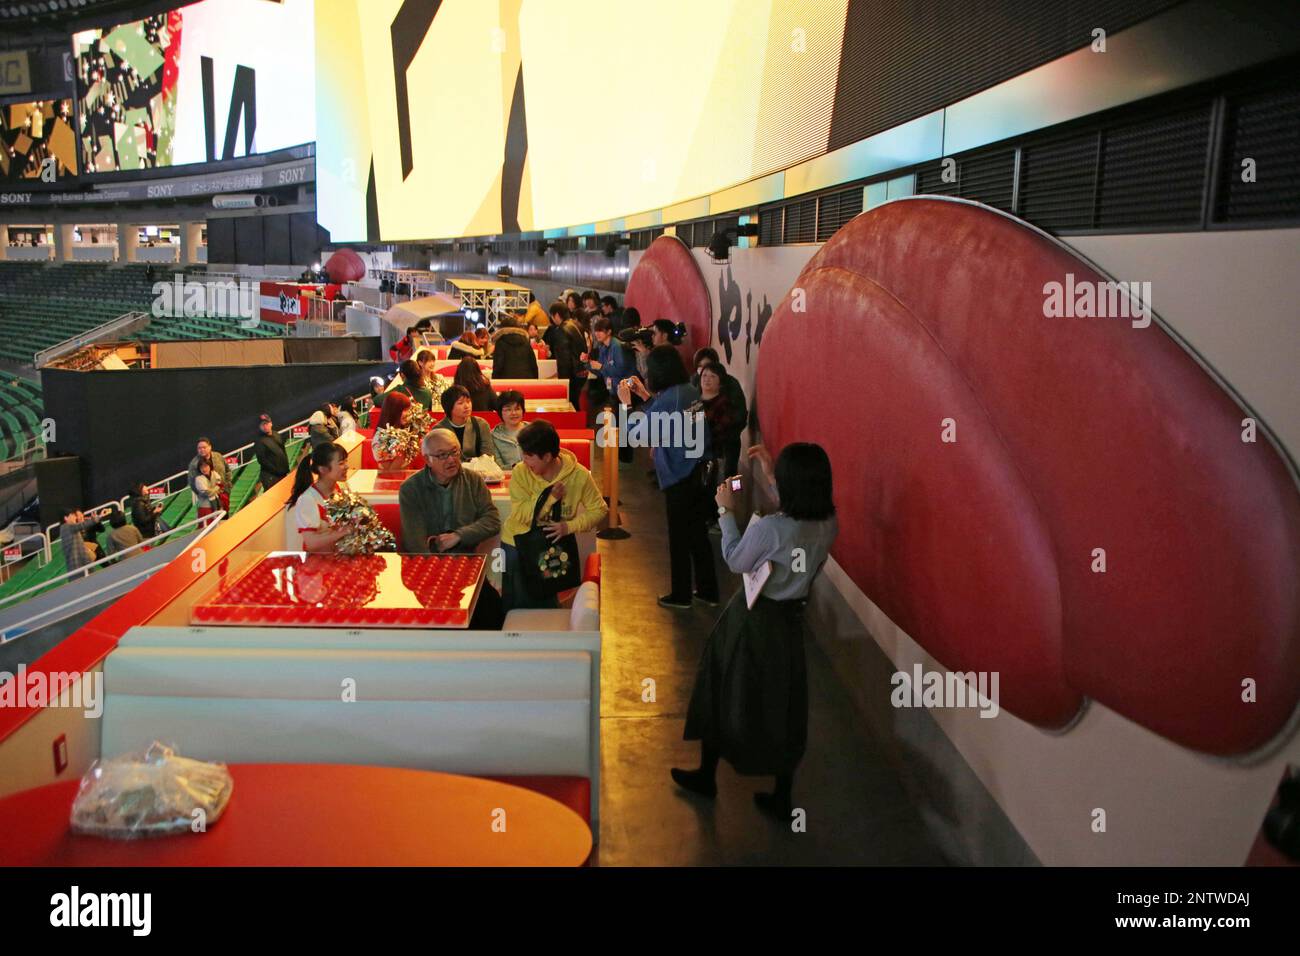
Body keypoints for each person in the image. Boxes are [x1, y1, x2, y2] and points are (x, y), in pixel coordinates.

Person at [672, 443, 839, 822]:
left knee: (721, 686)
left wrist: (724, 511)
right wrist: (768, 472)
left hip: (752, 618)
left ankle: (706, 776)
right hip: (789, 623)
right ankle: (782, 795)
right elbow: (795, 512)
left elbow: (734, 559)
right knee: (783, 703)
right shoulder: (828, 523)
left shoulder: (769, 529)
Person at [617, 346, 718, 608]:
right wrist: (645, 397)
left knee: (679, 537)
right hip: (700, 471)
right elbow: (664, 416)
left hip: (681, 475)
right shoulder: (688, 391)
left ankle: (681, 595)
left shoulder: (670, 398)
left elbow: (636, 435)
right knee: (697, 535)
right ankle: (708, 591)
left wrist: (627, 403)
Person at [397, 429, 505, 629]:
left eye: (455, 452)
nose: (451, 460)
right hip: (427, 572)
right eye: (442, 455)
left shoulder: (472, 480)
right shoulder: (411, 489)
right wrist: (441, 578)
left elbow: (492, 520)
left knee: (494, 614)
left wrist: (459, 536)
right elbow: (415, 544)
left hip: (467, 568)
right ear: (427, 459)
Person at [500, 421, 607, 611]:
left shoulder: (579, 475)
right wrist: (549, 500)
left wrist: (568, 527)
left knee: (546, 601)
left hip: (551, 547)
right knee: (516, 604)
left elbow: (599, 509)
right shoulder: (520, 472)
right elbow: (521, 514)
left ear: (548, 456)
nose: (525, 461)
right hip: (517, 543)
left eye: (529, 456)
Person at [285, 441, 352, 553]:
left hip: (339, 557)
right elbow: (311, 543)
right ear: (323, 469)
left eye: (346, 461)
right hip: (318, 564)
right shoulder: (307, 500)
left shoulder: (342, 487)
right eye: (341, 463)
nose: (347, 466)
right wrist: (343, 532)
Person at [698, 361, 747, 483]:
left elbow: (719, 430)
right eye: (704, 375)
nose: (707, 379)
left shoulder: (725, 404)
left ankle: (735, 499)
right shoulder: (694, 402)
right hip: (701, 455)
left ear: (720, 383)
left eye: (712, 376)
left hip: (724, 451)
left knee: (732, 479)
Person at [433, 385, 493, 460]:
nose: (467, 406)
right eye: (460, 403)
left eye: (468, 401)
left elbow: (488, 454)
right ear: (449, 407)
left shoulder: (481, 424)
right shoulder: (439, 430)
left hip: (477, 469)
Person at [372, 390, 420, 470]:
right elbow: (390, 472)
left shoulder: (404, 431)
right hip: (390, 481)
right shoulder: (381, 438)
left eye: (408, 410)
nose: (408, 413)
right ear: (394, 412)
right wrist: (405, 449)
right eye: (405, 410)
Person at [60, 507, 108, 576]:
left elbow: (101, 529)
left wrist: (96, 520)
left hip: (92, 555)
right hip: (80, 562)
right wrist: (99, 516)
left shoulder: (66, 529)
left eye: (80, 515)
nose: (76, 518)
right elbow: (82, 525)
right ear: (66, 518)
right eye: (74, 516)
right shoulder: (70, 527)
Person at [187, 437, 229, 515]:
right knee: (212, 522)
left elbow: (227, 471)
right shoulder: (194, 464)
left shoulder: (218, 456)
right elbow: (192, 483)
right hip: (207, 501)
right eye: (199, 448)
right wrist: (206, 493)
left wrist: (227, 486)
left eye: (204, 447)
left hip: (223, 494)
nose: (202, 450)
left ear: (210, 447)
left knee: (225, 519)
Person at [491, 313, 540, 378]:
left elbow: (498, 365)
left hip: (506, 381)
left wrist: (495, 380)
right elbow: (533, 364)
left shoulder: (500, 342)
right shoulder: (525, 341)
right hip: (526, 379)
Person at [490, 389, 527, 469]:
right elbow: (497, 465)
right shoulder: (493, 435)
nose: (513, 413)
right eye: (508, 409)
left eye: (517, 409)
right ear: (500, 412)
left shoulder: (534, 430)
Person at [254, 413, 289, 493]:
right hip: (271, 477)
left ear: (271, 423)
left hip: (282, 474)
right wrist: (277, 471)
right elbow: (262, 461)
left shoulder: (276, 434)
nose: (265, 426)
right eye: (262, 425)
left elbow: (283, 452)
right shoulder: (259, 441)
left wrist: (285, 469)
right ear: (259, 427)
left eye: (266, 423)